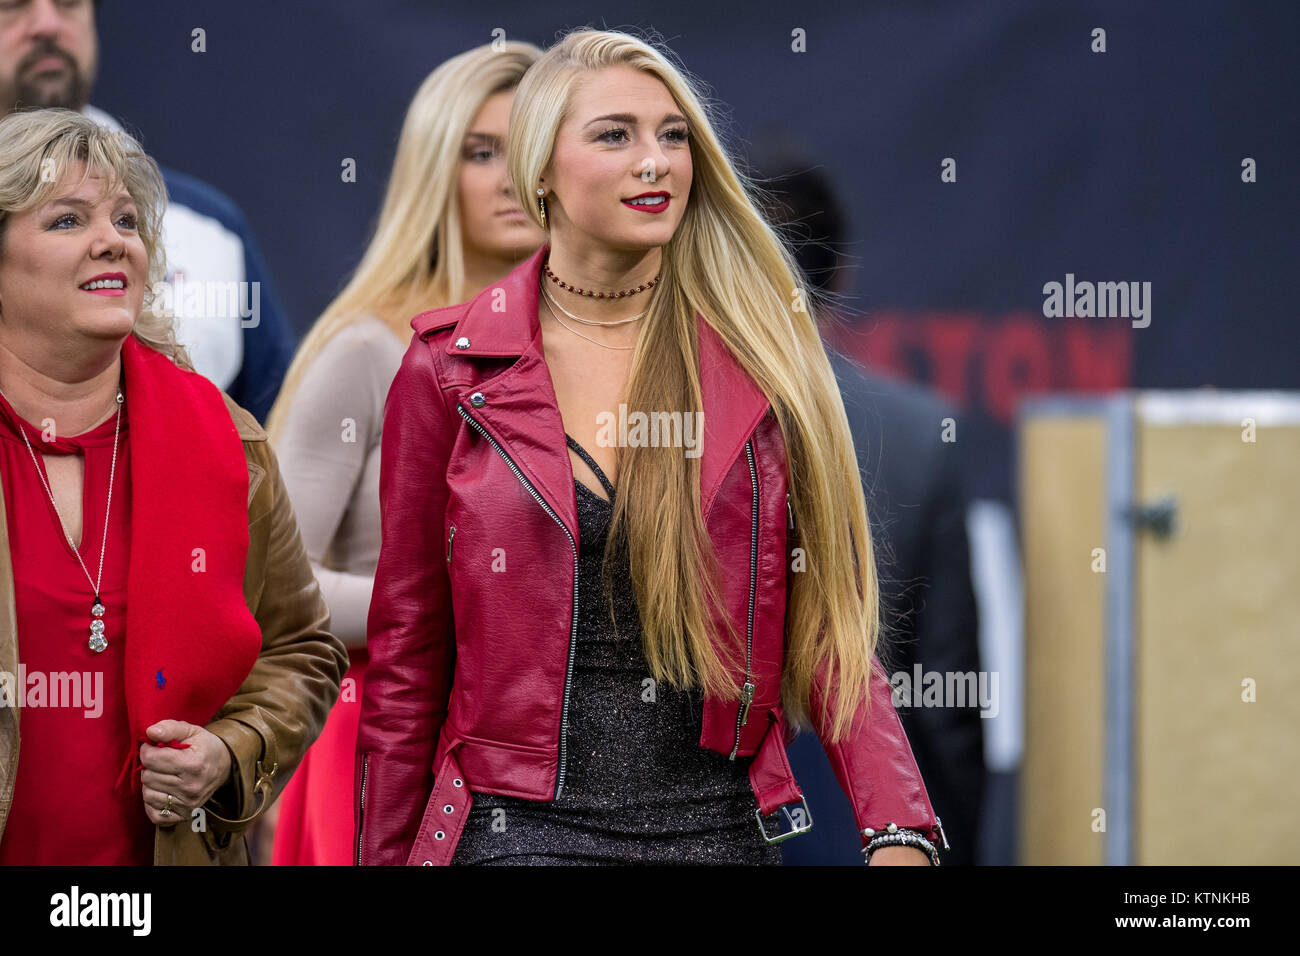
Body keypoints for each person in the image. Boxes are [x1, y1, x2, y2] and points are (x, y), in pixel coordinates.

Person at [355, 28, 945, 866]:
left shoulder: (759, 357)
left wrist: (898, 831)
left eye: (673, 135)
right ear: (541, 173)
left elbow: (830, 637)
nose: (656, 160)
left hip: (720, 831)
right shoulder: (448, 371)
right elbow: (408, 663)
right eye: (614, 134)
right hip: (518, 833)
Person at [0, 108, 348, 865]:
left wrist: (229, 753)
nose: (112, 239)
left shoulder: (228, 440)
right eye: (66, 220)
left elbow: (303, 650)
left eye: (127, 220)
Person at [265, 40, 546, 867]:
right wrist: (464, 601)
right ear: (434, 169)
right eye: (480, 151)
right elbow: (275, 584)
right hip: (377, 735)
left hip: (528, 750)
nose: (507, 177)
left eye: (525, 147)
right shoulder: (366, 347)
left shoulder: (595, 358)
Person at [751, 153, 987, 865]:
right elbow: (947, 700)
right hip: (869, 827)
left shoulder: (657, 418)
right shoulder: (923, 434)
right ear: (843, 276)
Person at [0, 0, 297, 422]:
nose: (47, 23)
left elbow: (276, 429)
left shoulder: (208, 225)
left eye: (69, 3)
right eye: (13, 5)